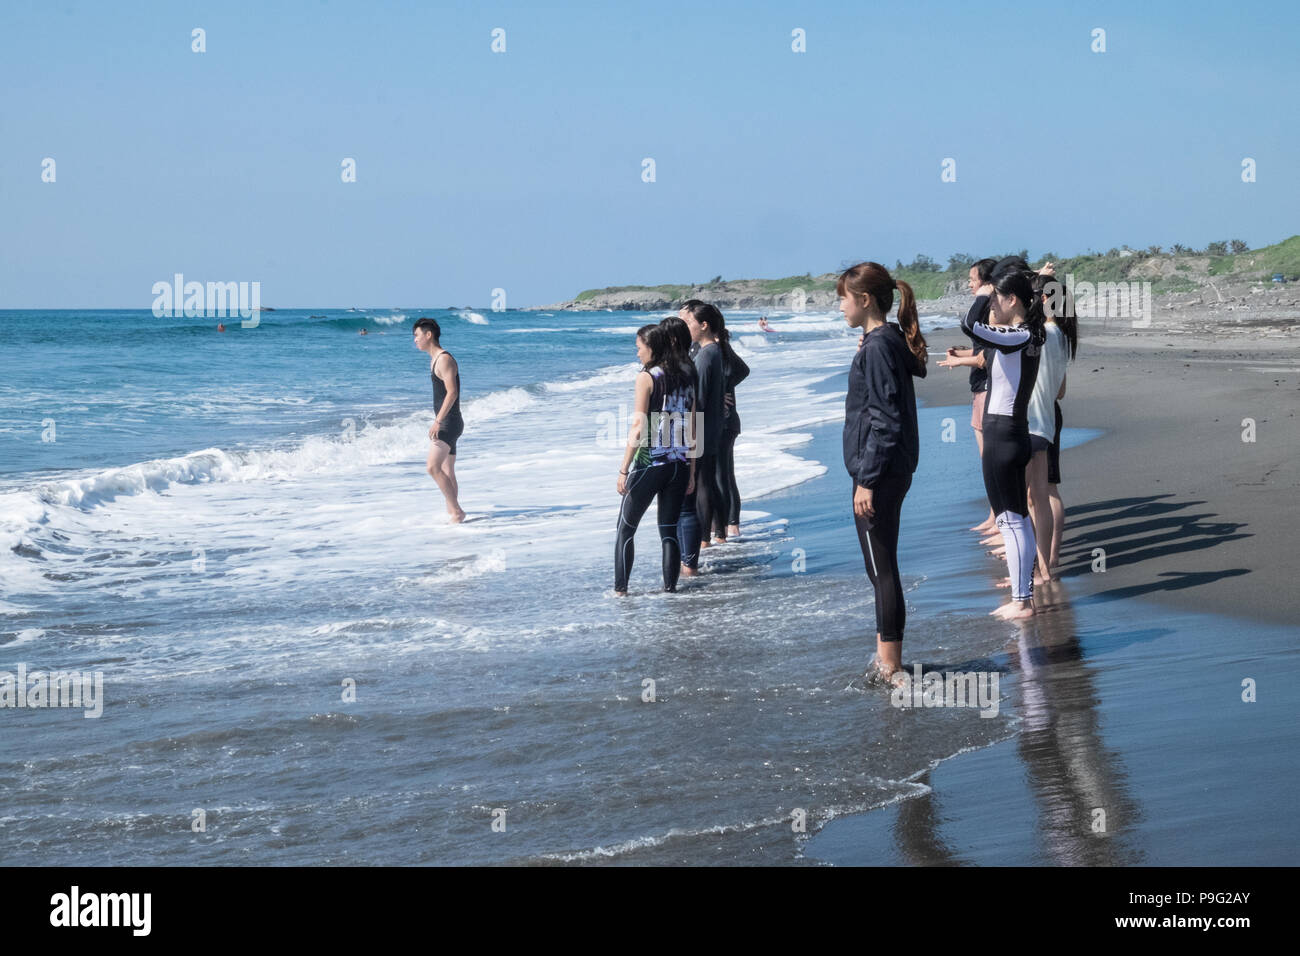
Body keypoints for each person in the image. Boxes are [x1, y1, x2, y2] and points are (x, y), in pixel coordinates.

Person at [839, 262, 928, 683]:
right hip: (891, 468)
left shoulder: (877, 347)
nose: (839, 306)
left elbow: (885, 421)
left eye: (842, 298)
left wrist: (866, 479)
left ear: (864, 299)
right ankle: (886, 656)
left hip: (880, 472)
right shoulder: (883, 341)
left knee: (882, 567)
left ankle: (890, 664)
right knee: (882, 565)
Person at [961, 265, 1046, 619]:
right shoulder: (1020, 335)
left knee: (1011, 521)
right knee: (1016, 520)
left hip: (1004, 434)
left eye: (997, 298)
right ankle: (1022, 596)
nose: (992, 303)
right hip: (1008, 432)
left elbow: (970, 325)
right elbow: (980, 336)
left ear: (1012, 300)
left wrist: (982, 294)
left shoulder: (1020, 337)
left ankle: (1022, 600)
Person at [614, 325, 697, 594]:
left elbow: (638, 427)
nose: (637, 353)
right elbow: (694, 428)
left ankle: (620, 591)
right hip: (680, 464)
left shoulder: (647, 377)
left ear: (652, 347)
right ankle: (671, 591)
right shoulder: (686, 376)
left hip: (650, 463)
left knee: (625, 530)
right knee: (668, 530)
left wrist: (624, 469)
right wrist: (692, 472)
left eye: (639, 347)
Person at [938, 258, 998, 534]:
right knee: (989, 459)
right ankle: (994, 515)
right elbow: (981, 351)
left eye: (973, 280)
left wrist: (958, 362)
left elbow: (986, 358)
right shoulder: (990, 311)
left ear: (986, 283)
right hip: (982, 390)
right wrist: (961, 353)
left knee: (990, 459)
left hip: (987, 390)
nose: (970, 284)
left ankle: (998, 518)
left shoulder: (988, 312)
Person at [674, 300, 727, 575]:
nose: (686, 328)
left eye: (689, 323)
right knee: (707, 482)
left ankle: (703, 539)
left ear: (703, 325)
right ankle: (708, 536)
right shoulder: (712, 351)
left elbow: (700, 399)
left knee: (702, 485)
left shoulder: (707, 354)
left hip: (704, 428)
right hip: (712, 425)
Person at [412, 317, 465, 522]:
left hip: (448, 423)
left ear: (428, 335)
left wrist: (438, 421)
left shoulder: (444, 359)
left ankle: (456, 510)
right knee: (447, 470)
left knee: (432, 467)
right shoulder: (434, 358)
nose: (415, 340)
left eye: (417, 336)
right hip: (450, 421)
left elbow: (452, 392)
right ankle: (453, 513)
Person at [712, 310, 749, 542]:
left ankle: (730, 524)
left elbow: (743, 370)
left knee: (721, 474)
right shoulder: (714, 346)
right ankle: (727, 524)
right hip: (723, 420)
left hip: (724, 421)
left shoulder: (716, 347)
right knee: (722, 473)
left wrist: (721, 391)